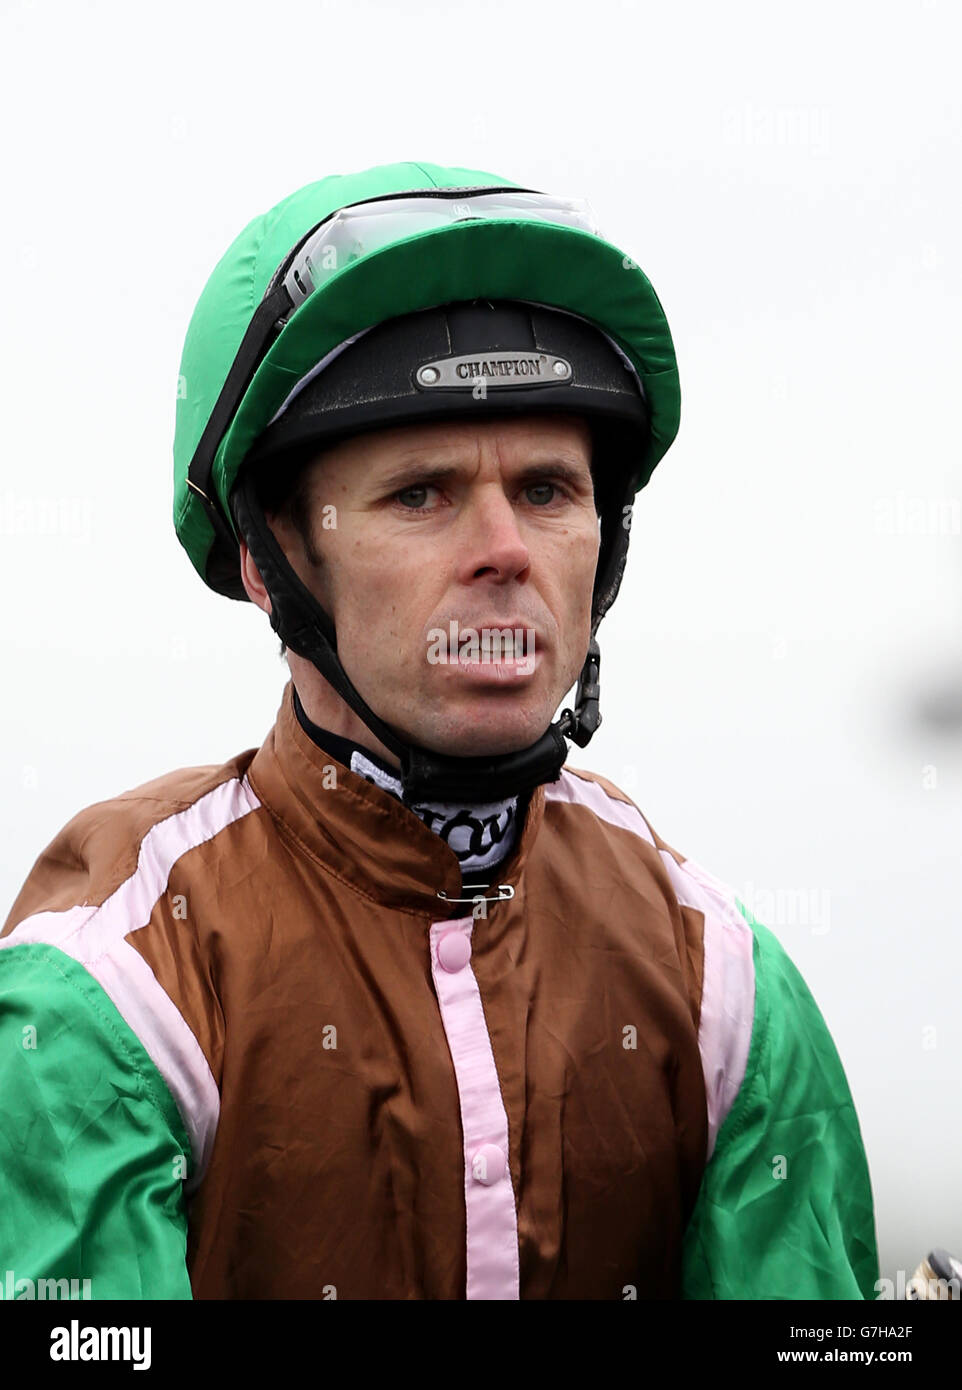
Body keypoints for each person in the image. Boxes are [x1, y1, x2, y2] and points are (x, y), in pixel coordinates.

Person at [0, 160, 879, 1300]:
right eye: (420, 493)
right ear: (274, 564)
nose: (504, 548)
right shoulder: (110, 981)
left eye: (548, 490)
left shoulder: (721, 975)